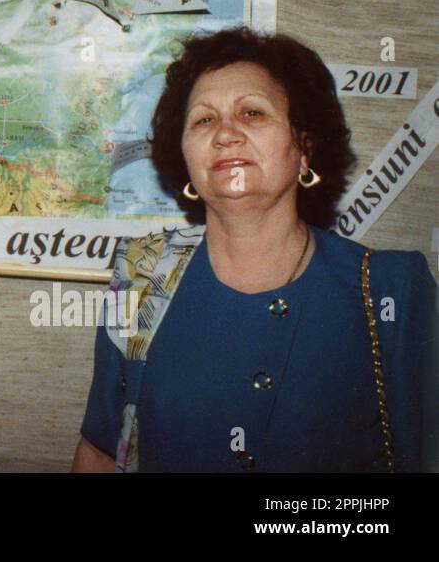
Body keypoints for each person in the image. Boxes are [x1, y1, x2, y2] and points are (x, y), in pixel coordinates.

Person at [73, 27, 436, 472]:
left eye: (252, 113)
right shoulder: (140, 274)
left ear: (304, 149)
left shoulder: (393, 289)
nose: (225, 134)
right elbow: (99, 453)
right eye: (204, 120)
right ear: (185, 156)